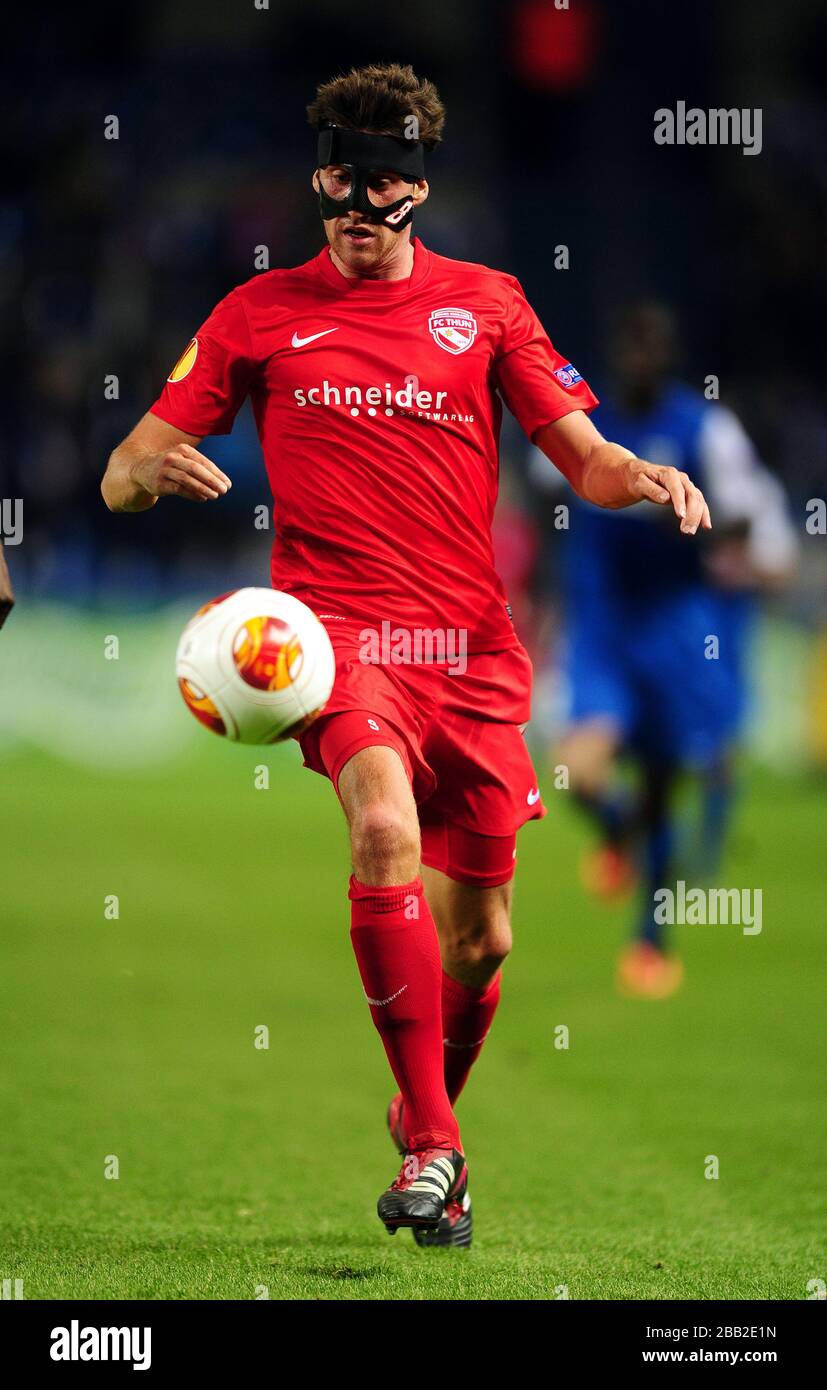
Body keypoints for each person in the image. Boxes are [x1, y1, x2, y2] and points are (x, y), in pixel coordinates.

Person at [101, 65, 712, 1245]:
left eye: (375, 177)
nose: (348, 199)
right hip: (338, 642)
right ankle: (436, 1147)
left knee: (482, 939)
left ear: (414, 188)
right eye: (333, 173)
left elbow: (577, 454)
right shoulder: (255, 314)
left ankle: (422, 1110)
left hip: (472, 654)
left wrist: (630, 474)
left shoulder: (485, 304)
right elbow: (129, 459)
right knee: (382, 830)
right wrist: (140, 474)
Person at [544, 304, 797, 998]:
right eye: (630, 347)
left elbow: (745, 512)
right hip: (601, 626)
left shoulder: (702, 428)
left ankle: (650, 940)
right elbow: (547, 505)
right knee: (578, 771)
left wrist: (683, 513)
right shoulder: (580, 420)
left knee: (664, 779)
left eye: (651, 348)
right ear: (616, 352)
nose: (639, 360)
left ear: (667, 355)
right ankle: (619, 830)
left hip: (672, 628)